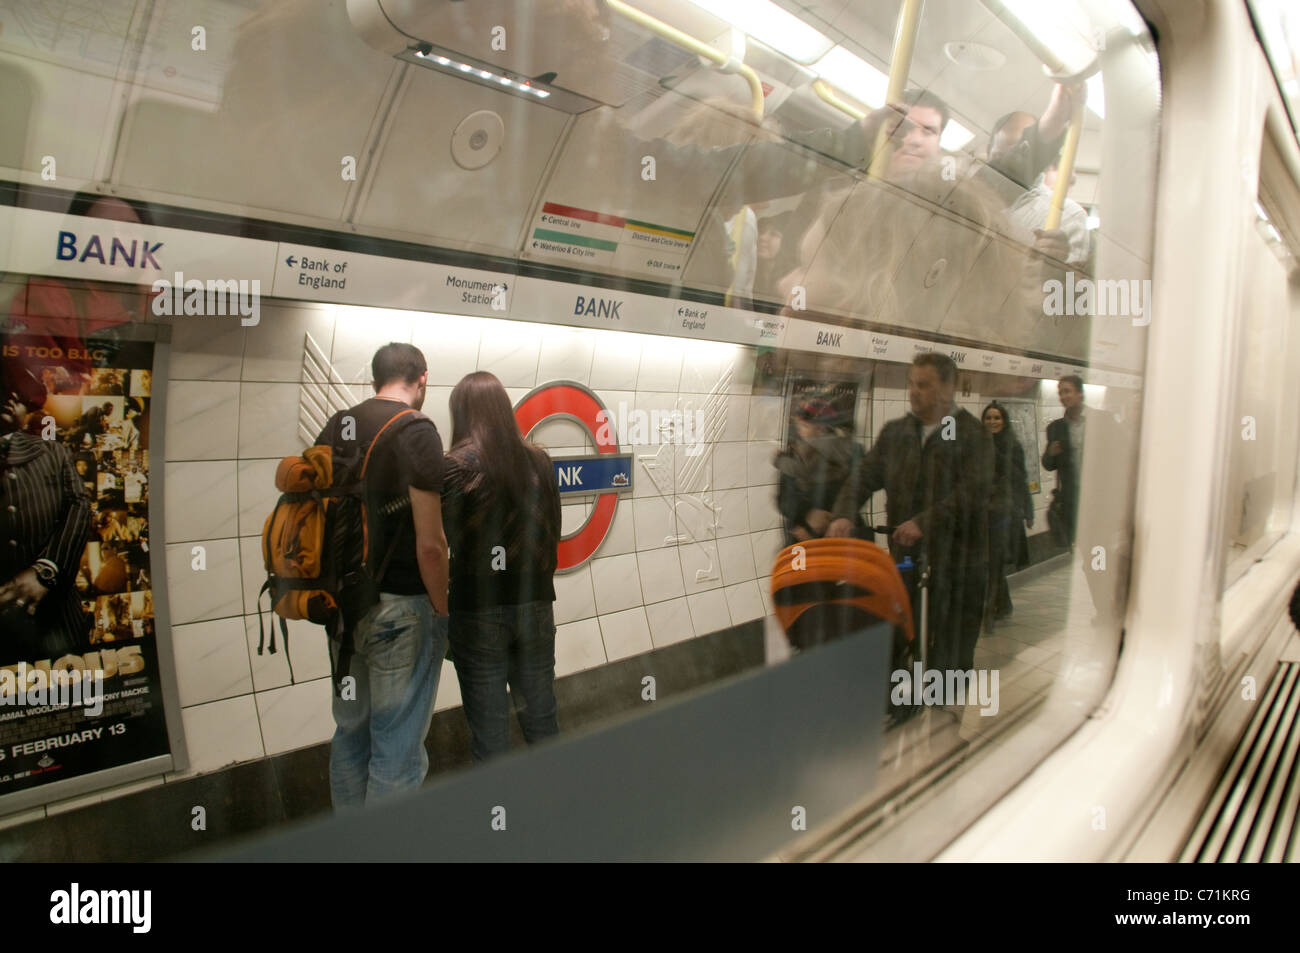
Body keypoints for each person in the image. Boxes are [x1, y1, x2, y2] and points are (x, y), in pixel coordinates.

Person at [313, 343, 449, 807]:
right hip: (401, 609)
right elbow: (431, 543)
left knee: (351, 734)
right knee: (397, 747)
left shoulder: (337, 425)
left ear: (374, 380)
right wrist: (441, 607)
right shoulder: (417, 430)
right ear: (422, 378)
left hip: (342, 610)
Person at [827, 353, 993, 674]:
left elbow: (972, 493)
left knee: (951, 651)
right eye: (911, 384)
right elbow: (863, 476)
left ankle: (946, 713)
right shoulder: (896, 434)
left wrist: (923, 523)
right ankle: (904, 707)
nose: (914, 392)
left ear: (948, 387)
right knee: (901, 636)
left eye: (924, 385)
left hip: (958, 566)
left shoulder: (973, 435)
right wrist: (843, 513)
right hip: (907, 562)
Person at [440, 371, 562, 762]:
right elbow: (552, 534)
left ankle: (499, 819)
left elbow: (441, 541)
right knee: (543, 723)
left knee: (490, 737)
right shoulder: (540, 462)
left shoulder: (453, 468)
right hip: (536, 605)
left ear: (460, 413)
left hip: (477, 610)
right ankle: (559, 810)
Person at [0, 368, 93, 664]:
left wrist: (47, 570)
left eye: (19, 394)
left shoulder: (53, 454)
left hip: (56, 619)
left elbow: (78, 510)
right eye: (4, 391)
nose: (10, 399)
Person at [1042, 375, 1128, 623]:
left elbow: (1121, 454)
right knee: (1093, 559)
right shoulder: (1056, 428)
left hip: (1102, 505)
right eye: (1061, 392)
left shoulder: (1103, 421)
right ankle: (1104, 607)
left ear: (1080, 394)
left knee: (1100, 556)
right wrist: (1051, 453)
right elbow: (1048, 465)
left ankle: (1110, 604)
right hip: (1076, 508)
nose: (1064, 396)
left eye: (1068, 391)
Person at [775, 399, 862, 545]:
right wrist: (807, 514)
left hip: (836, 535)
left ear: (822, 428)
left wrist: (830, 517)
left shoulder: (848, 455)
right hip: (807, 535)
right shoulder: (796, 454)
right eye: (799, 426)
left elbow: (856, 490)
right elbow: (784, 498)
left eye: (805, 426)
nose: (800, 431)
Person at [982, 402, 1033, 625]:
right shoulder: (977, 445)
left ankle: (990, 611)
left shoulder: (1012, 446)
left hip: (1005, 513)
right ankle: (1002, 604)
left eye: (997, 418)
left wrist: (1028, 511)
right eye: (989, 418)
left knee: (994, 562)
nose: (992, 422)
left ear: (1004, 421)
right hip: (984, 513)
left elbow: (1020, 480)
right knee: (989, 562)